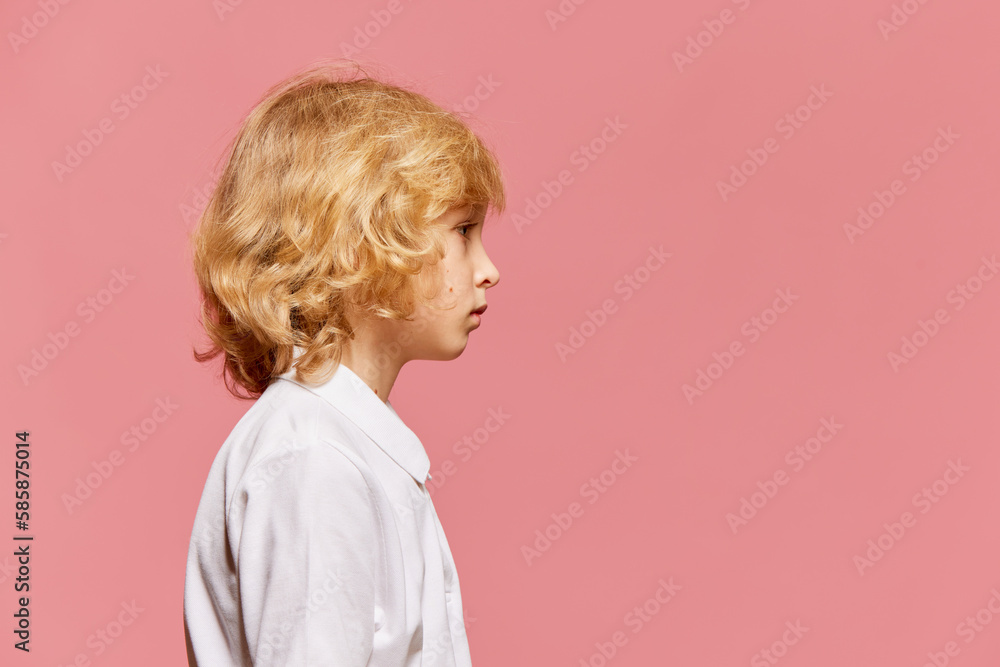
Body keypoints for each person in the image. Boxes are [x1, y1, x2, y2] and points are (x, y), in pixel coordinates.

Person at [182, 59, 504, 666]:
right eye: (463, 231)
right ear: (362, 245)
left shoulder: (339, 445)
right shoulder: (314, 460)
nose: (488, 269)